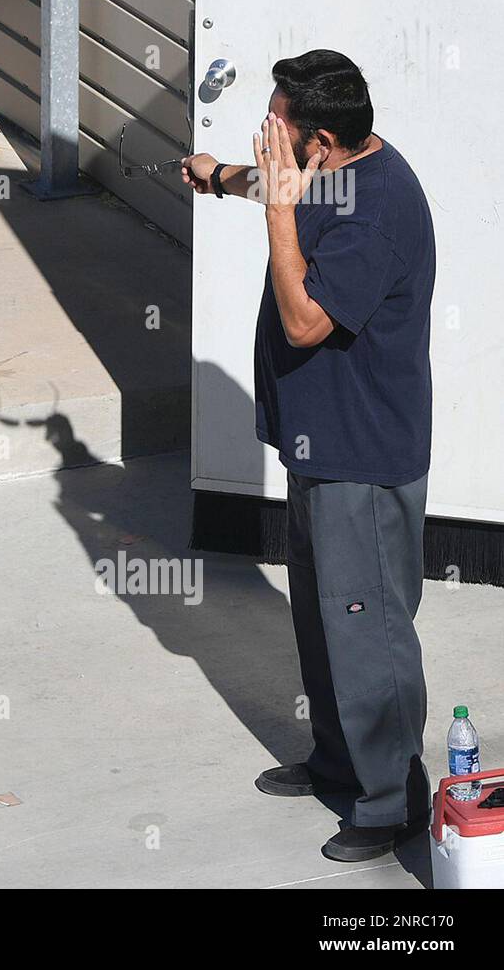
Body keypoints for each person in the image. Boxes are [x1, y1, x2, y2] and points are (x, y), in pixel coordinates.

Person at [183, 49, 436, 863]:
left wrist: (275, 214)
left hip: (361, 457)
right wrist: (222, 176)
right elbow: (284, 183)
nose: (268, 138)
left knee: (370, 631)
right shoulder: (334, 168)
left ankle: (390, 800)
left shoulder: (379, 212)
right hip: (316, 444)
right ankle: (339, 760)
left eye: (278, 128)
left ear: (321, 141)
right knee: (324, 617)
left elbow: (304, 324)